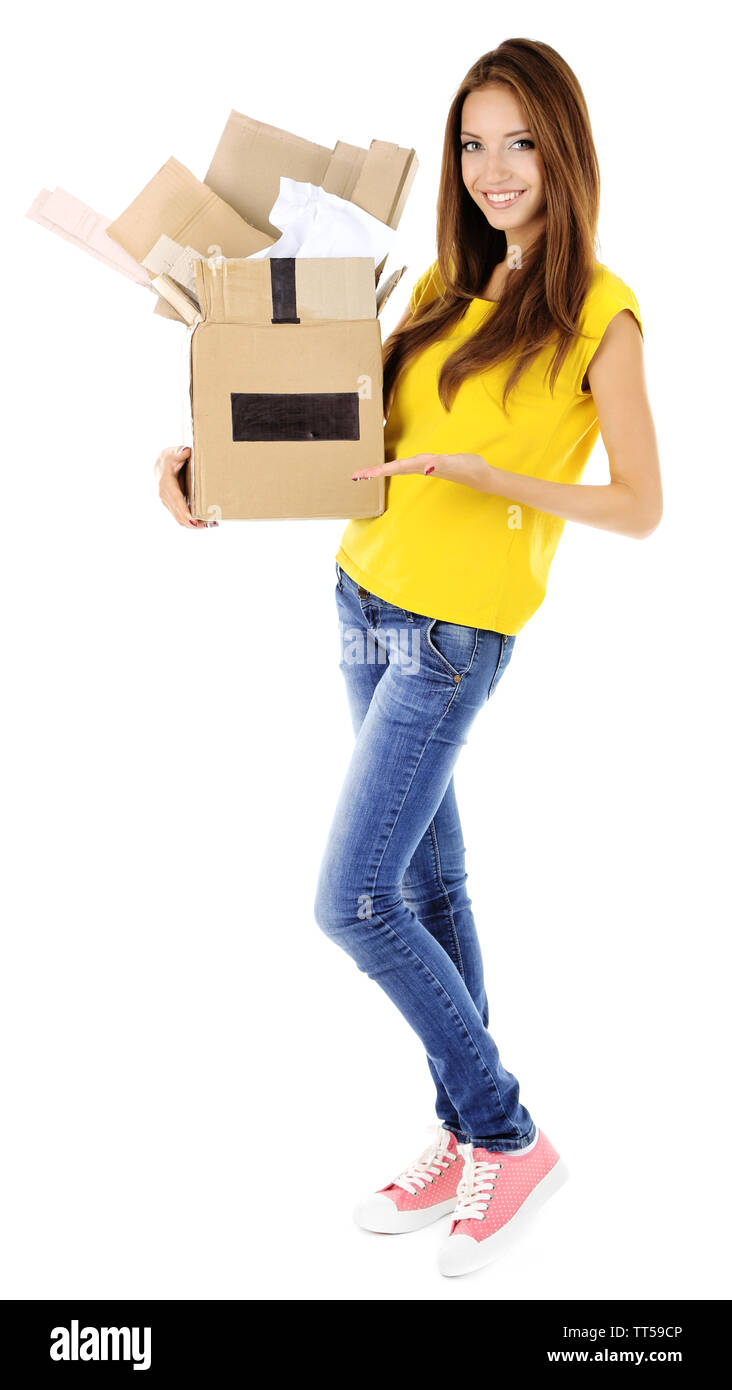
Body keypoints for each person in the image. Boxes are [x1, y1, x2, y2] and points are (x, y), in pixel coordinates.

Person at [155, 38, 662, 1279]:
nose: (496, 169)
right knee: (431, 894)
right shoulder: (440, 282)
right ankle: (462, 1127)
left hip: (451, 637)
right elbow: (340, 422)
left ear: (566, 149)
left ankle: (506, 1129)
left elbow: (644, 503)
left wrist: (501, 479)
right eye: (475, 143)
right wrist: (201, 468)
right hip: (361, 599)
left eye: (521, 141)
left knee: (354, 901)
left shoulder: (601, 312)